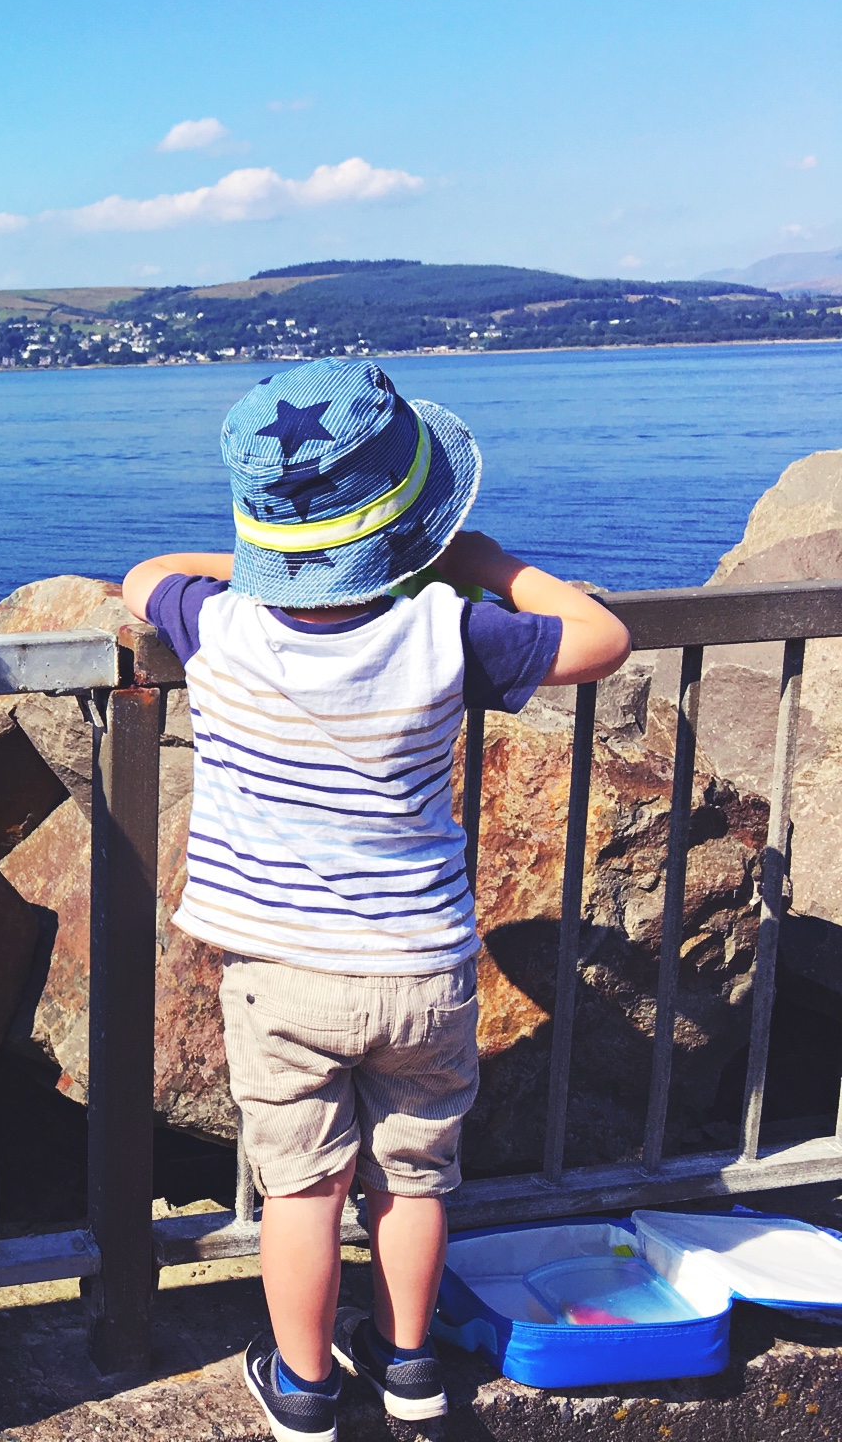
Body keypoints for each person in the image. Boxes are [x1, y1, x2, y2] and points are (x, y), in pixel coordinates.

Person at [121, 359, 631, 1442]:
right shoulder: (449, 626)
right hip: (419, 970)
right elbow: (601, 639)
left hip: (277, 979)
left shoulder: (220, 625)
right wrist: (495, 566)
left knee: (299, 1189)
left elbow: (143, 574)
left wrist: (264, 562)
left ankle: (302, 1387)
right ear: (413, 532)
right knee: (414, 1176)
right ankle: (408, 1371)